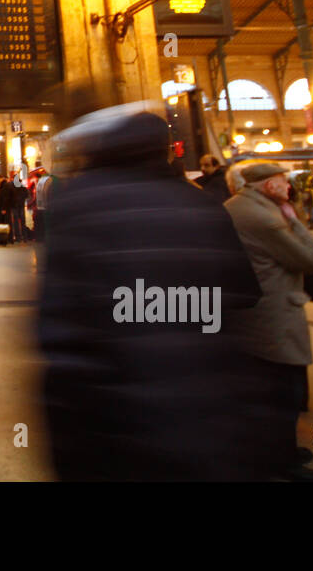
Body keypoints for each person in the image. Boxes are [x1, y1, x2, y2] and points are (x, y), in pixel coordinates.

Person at [38, 105, 267, 481]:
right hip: (204, 417)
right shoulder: (201, 205)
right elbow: (244, 295)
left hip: (112, 420)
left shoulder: (79, 204)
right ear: (166, 151)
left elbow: (60, 330)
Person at [224, 161, 313, 481]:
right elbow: (309, 261)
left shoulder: (235, 206)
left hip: (253, 310)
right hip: (273, 313)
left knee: (272, 388)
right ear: (269, 185)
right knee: (284, 391)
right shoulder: (265, 217)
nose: (288, 187)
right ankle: (281, 462)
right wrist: (295, 222)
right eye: (283, 181)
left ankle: (281, 451)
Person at [8, 171, 29, 242]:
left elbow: (9, 196)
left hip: (14, 205)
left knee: (16, 221)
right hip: (21, 205)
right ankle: (25, 236)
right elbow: (26, 194)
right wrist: (22, 199)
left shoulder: (10, 185)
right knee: (22, 221)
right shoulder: (21, 185)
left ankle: (18, 237)